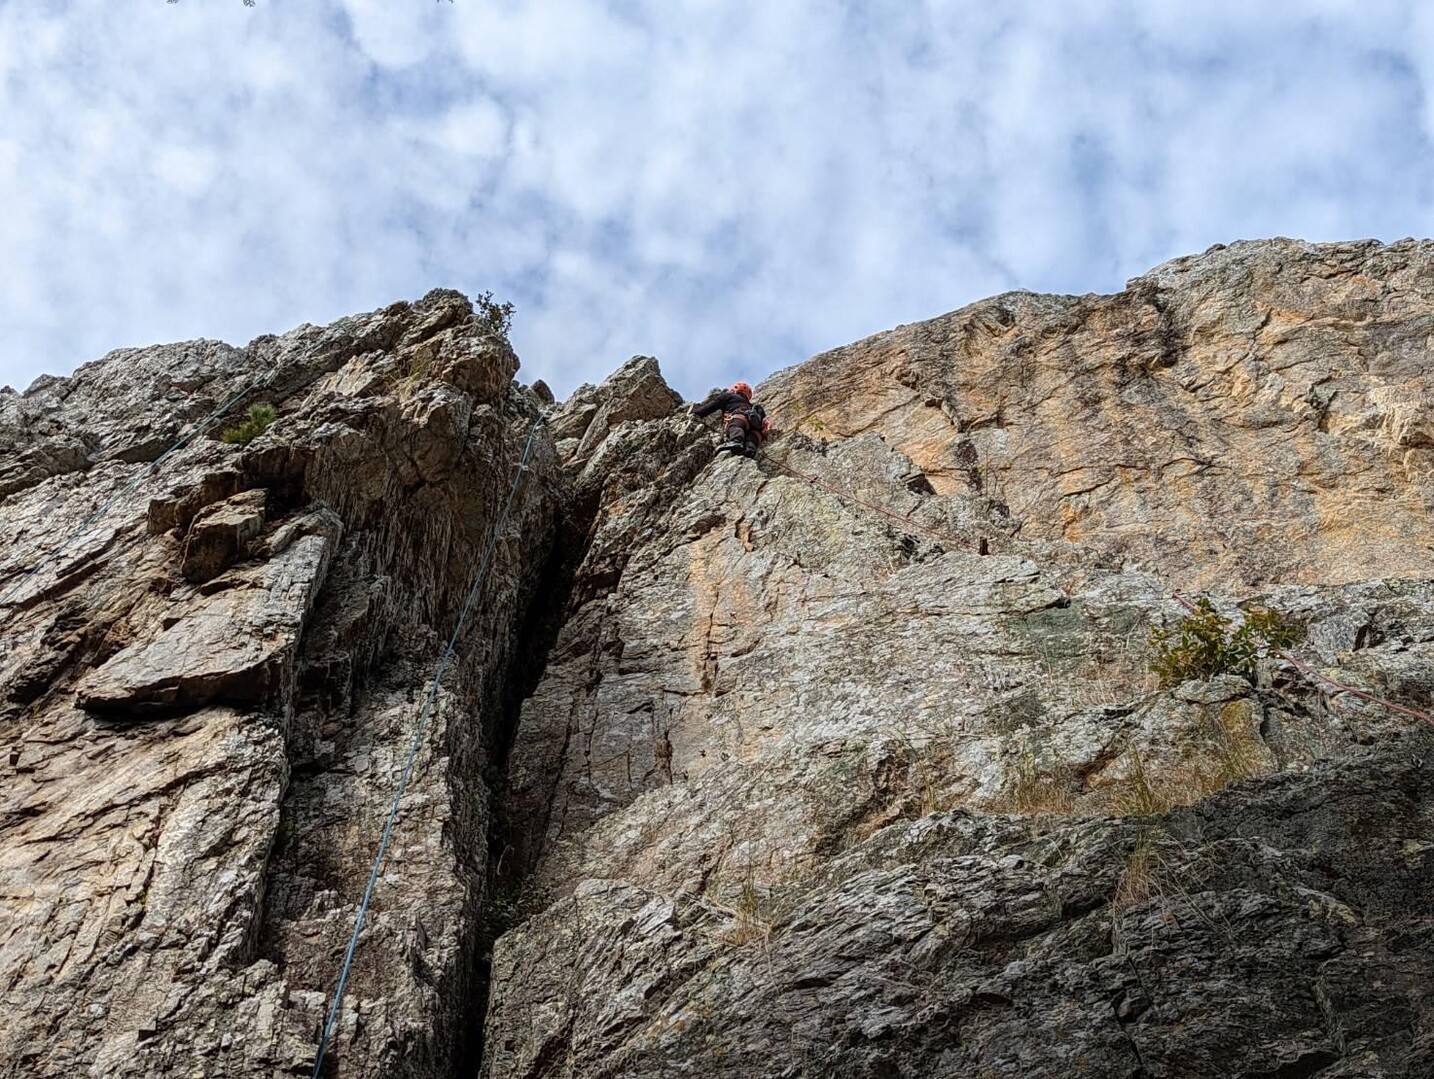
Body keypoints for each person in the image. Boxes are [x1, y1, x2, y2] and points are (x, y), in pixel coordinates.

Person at [692, 381, 771, 457]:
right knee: (752, 435)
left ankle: (736, 441)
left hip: (740, 419)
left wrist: (696, 414)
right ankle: (750, 448)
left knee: (735, 426)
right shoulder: (751, 406)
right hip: (756, 427)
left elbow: (712, 406)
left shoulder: (728, 396)